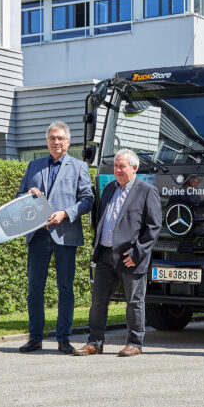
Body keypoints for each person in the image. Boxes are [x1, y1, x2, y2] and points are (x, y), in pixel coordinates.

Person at [16, 122, 94, 354]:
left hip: (65, 235)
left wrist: (65, 214)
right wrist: (27, 194)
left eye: (60, 138)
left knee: (65, 289)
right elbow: (19, 194)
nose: (56, 142)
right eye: (52, 138)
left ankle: (63, 339)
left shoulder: (79, 167)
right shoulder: (34, 166)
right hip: (38, 236)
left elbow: (88, 200)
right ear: (47, 141)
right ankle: (35, 338)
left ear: (68, 142)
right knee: (34, 289)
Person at [75, 149, 161, 357]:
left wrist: (137, 253)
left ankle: (134, 343)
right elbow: (102, 219)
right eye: (115, 166)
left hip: (131, 257)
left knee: (134, 301)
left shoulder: (147, 191)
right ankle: (94, 342)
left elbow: (154, 227)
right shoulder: (109, 189)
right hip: (105, 255)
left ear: (134, 168)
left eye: (122, 166)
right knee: (98, 301)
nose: (118, 170)